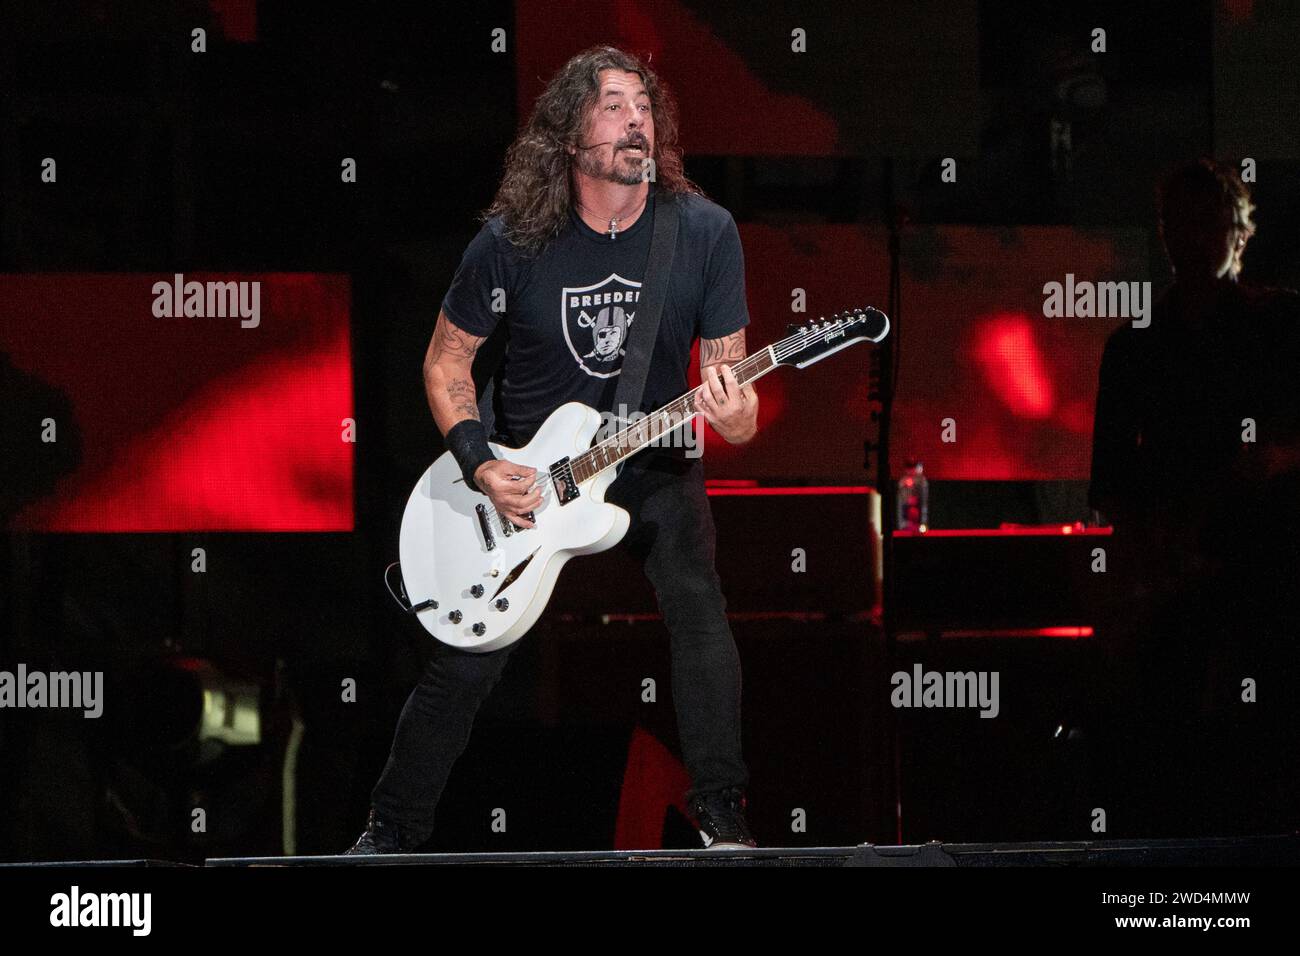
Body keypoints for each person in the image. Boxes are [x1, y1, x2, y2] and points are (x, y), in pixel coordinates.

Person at [347, 46, 760, 853]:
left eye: (643, 104)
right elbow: (444, 361)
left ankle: (721, 810)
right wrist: (480, 464)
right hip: (528, 474)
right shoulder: (514, 241)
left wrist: (734, 410)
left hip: (651, 458)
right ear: (569, 136)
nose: (634, 117)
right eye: (611, 104)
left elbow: (734, 410)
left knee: (698, 602)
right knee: (468, 657)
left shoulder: (704, 233)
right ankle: (390, 834)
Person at [1088, 158, 1300, 837]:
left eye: (1211, 222)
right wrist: (1156, 560)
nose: (1197, 237)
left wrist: (1276, 458)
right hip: (1174, 578)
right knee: (1173, 756)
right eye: (1182, 223)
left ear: (1239, 232)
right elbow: (1113, 482)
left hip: (1267, 574)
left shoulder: (1283, 326)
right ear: (1165, 234)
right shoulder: (1133, 349)